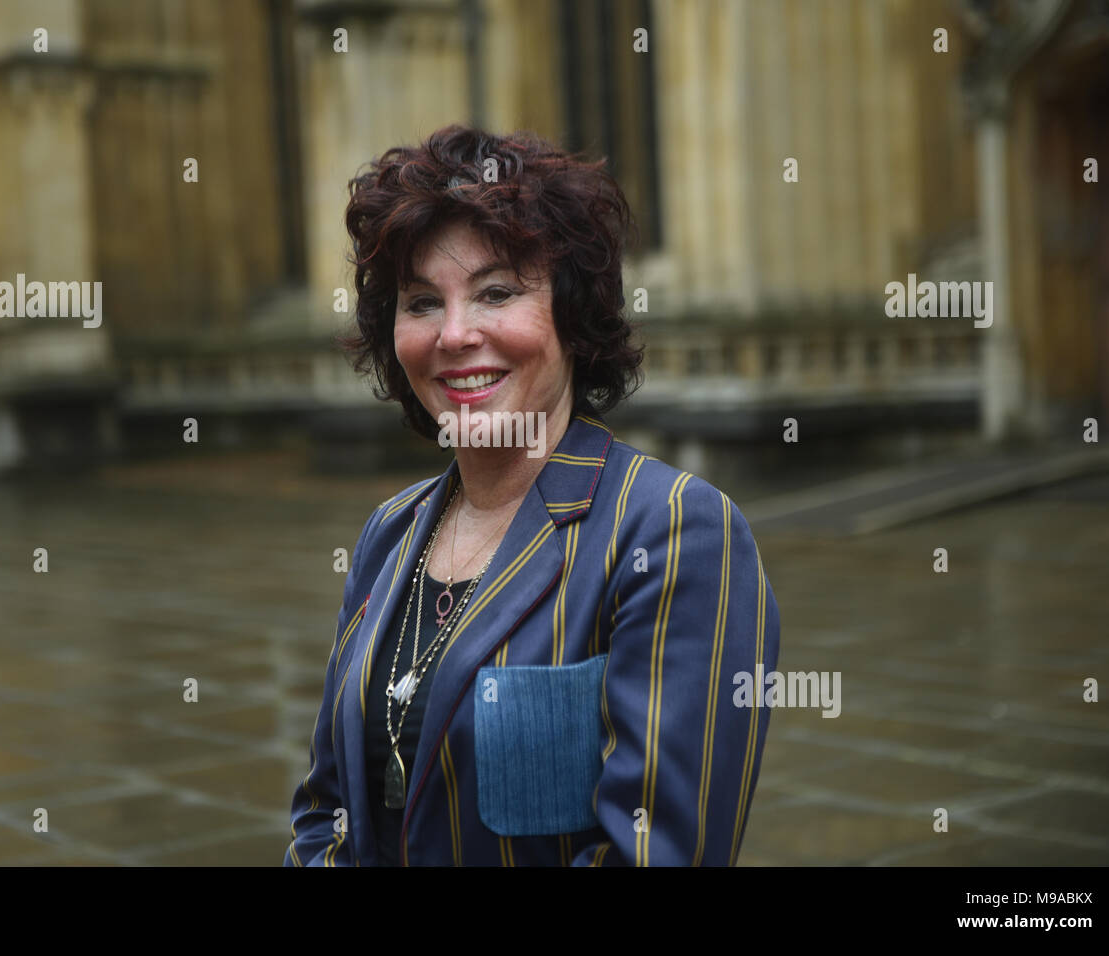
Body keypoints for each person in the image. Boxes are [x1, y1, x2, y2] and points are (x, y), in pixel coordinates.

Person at [284, 124, 780, 866]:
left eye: (496, 292)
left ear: (572, 317)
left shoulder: (674, 531)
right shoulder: (391, 529)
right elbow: (328, 810)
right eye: (422, 302)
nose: (455, 334)